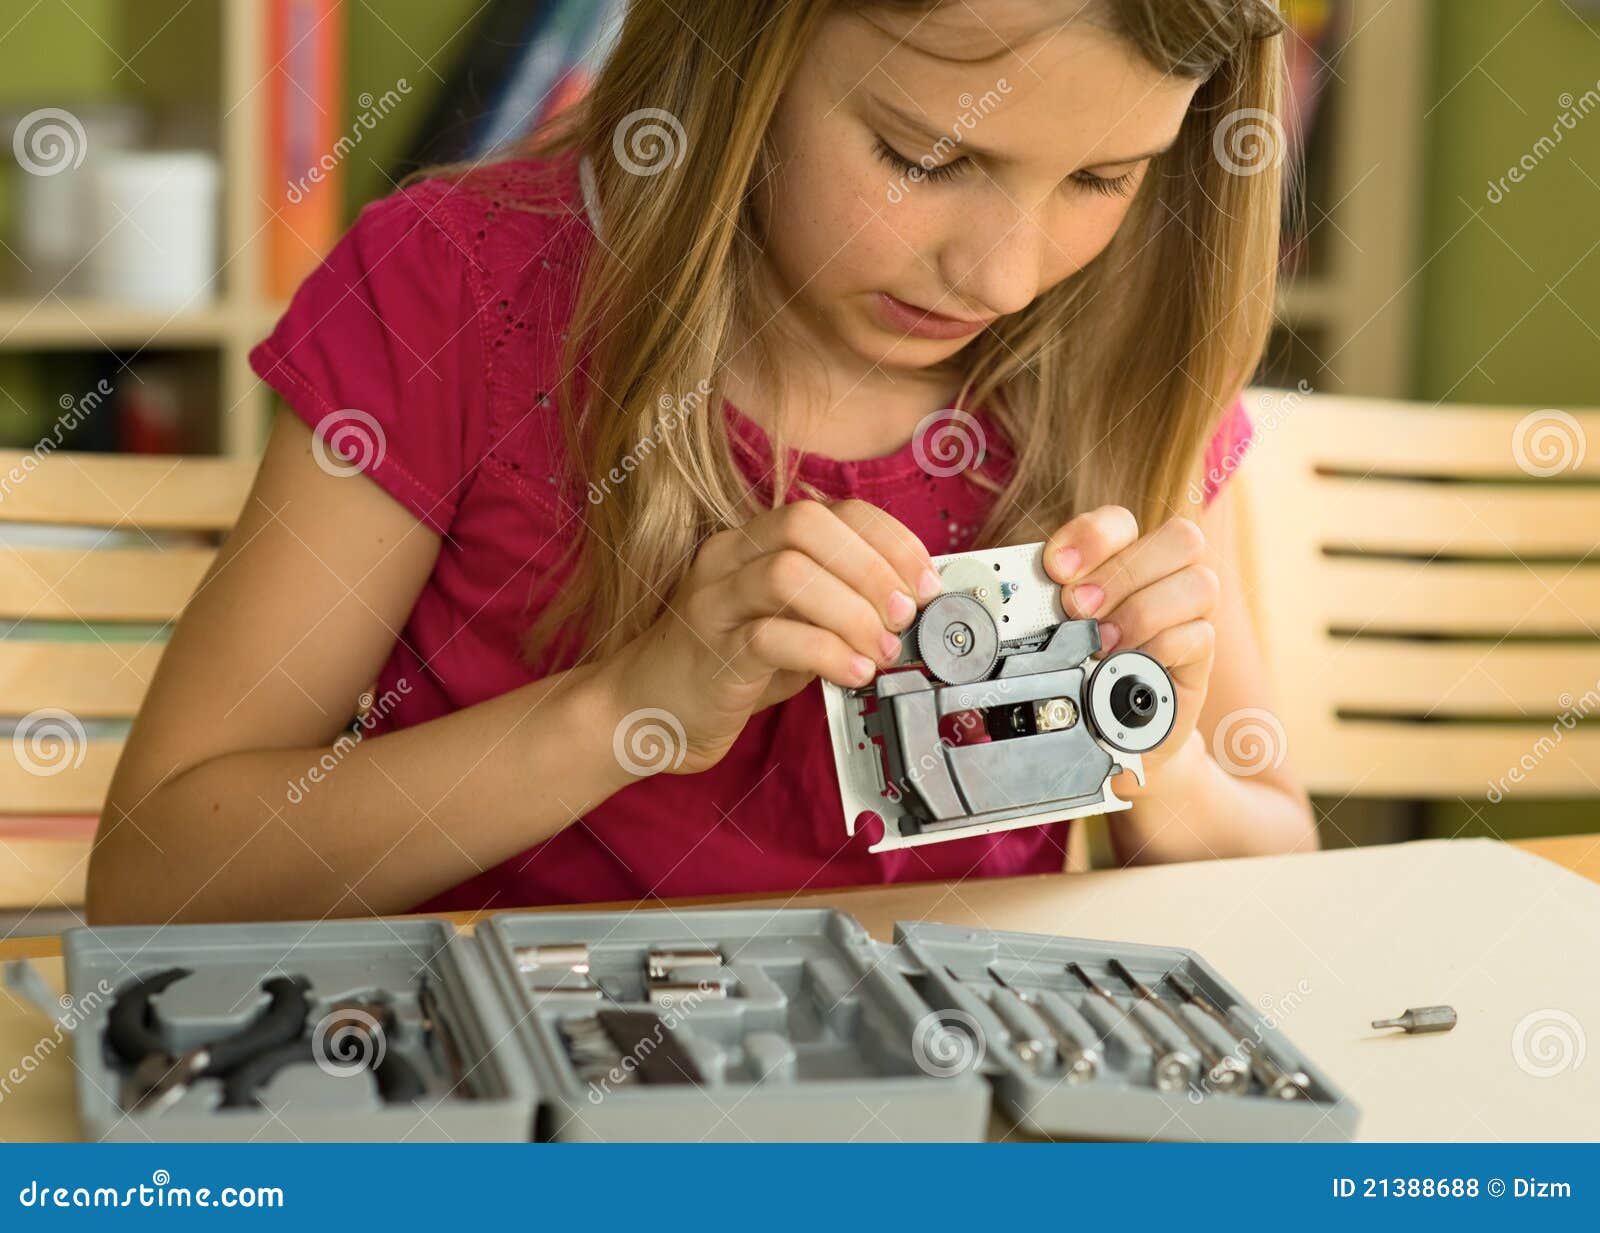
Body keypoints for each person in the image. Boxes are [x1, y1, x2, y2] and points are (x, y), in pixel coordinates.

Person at [88, 0, 1315, 925]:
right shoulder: (453, 295)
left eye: (1102, 177)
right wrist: (631, 709)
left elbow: (1284, 871)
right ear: (738, 53)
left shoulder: (1122, 347)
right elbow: (161, 880)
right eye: (926, 160)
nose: (1000, 277)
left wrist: (1158, 764)